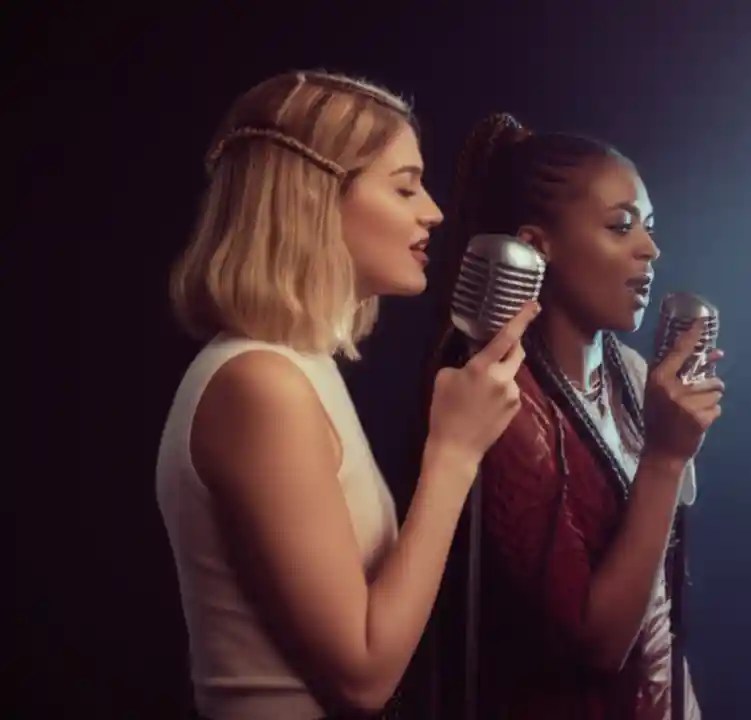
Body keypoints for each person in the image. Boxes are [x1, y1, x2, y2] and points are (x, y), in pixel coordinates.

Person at [156, 70, 537, 719]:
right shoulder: (259, 386)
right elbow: (362, 677)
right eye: (404, 186)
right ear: (314, 197)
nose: (434, 212)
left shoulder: (301, 369)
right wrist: (454, 452)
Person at [424, 113, 722, 719]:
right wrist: (664, 459)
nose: (650, 249)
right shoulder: (505, 407)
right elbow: (599, 643)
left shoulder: (633, 376)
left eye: (649, 227)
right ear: (537, 246)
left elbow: (656, 607)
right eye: (621, 226)